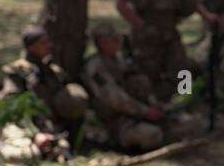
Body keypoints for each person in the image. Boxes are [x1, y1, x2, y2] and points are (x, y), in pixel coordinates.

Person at [81, 23, 197, 152]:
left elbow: (141, 84)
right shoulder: (96, 66)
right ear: (103, 42)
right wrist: (146, 111)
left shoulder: (118, 61)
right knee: (152, 135)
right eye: (114, 39)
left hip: (138, 114)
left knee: (189, 126)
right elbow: (115, 98)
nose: (118, 42)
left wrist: (154, 106)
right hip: (115, 122)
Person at [0, 26, 90, 146]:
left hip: (51, 125)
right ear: (31, 46)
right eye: (43, 43)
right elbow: (15, 107)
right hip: (26, 127)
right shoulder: (17, 72)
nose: (48, 45)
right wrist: (34, 133)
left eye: (48, 41)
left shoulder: (53, 71)